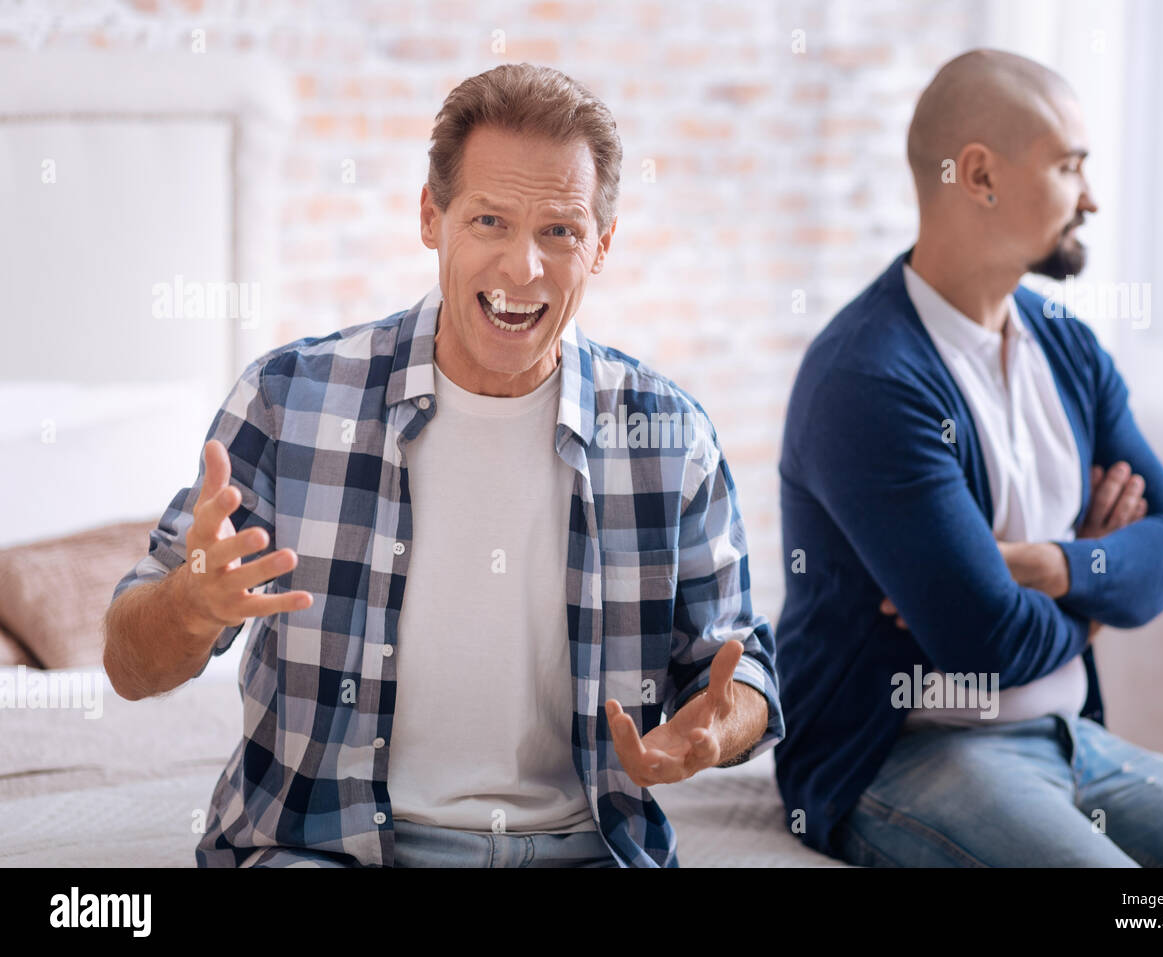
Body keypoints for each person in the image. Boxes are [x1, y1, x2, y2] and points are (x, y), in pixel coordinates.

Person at [104, 63, 782, 868]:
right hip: (327, 847)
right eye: (490, 220)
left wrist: (719, 723)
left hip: (585, 847)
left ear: (601, 246)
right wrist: (190, 602)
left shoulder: (668, 435)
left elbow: (740, 669)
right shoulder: (291, 401)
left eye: (559, 232)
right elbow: (125, 663)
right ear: (432, 216)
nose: (521, 269)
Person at [773, 48, 1163, 866]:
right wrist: (1094, 584)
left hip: (1070, 738)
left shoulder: (1069, 346)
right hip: (906, 755)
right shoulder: (868, 379)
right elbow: (984, 645)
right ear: (979, 176)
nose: (1090, 197)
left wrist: (1047, 565)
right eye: (1069, 165)